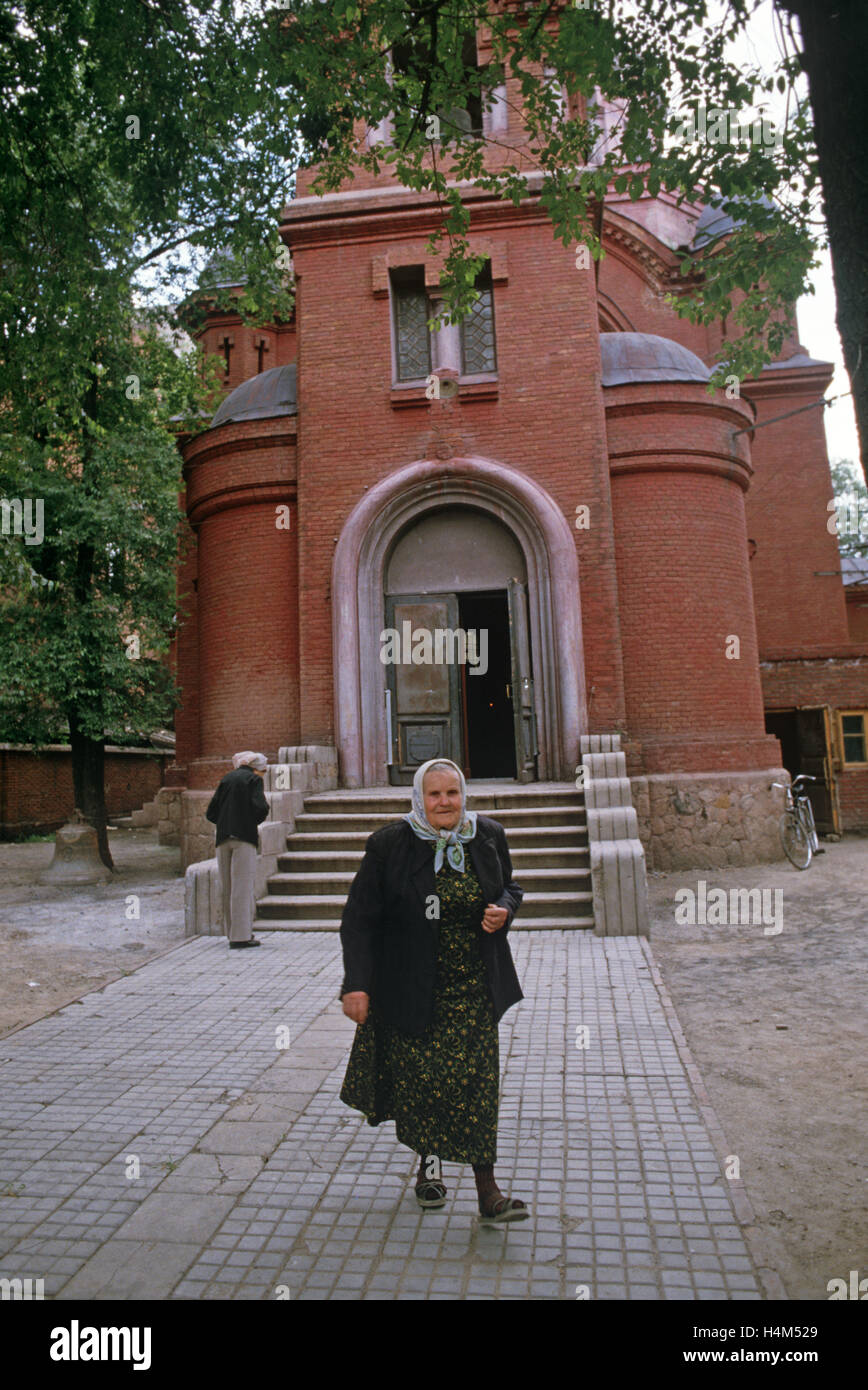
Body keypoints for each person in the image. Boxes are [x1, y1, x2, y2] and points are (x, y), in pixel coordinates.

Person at [339, 757, 529, 1223]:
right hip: (412, 986)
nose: (445, 803)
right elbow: (360, 920)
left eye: (452, 793)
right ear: (419, 798)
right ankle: (429, 1169)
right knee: (425, 1083)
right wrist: (357, 985)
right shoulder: (390, 845)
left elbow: (512, 887)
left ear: (463, 794)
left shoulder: (487, 835)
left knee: (478, 1086)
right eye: (434, 794)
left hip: (474, 988)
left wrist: (504, 908)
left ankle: (488, 1191)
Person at [206, 751, 270, 950]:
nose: (264, 774)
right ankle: (241, 937)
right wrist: (249, 821)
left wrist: (227, 822)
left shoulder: (227, 778)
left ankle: (231, 932)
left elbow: (211, 812)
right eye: (264, 771)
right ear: (257, 768)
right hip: (244, 838)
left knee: (228, 887)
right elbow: (261, 808)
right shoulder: (253, 780)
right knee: (242, 888)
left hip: (223, 837)